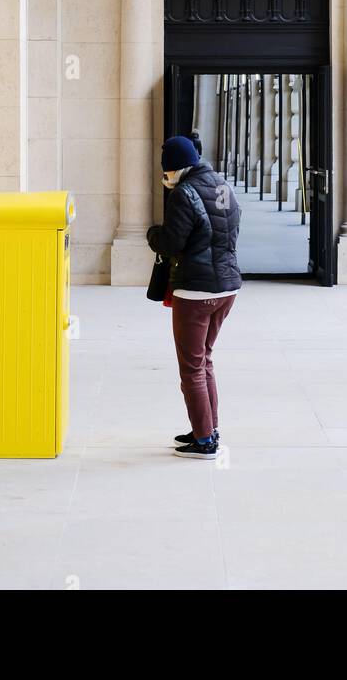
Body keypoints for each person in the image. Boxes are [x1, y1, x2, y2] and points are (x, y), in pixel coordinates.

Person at [147, 135, 241, 458]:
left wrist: (152, 234)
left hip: (196, 292)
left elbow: (171, 243)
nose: (166, 178)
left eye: (167, 172)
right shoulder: (222, 186)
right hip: (227, 288)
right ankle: (208, 428)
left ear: (176, 169)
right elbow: (229, 232)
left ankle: (204, 441)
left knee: (191, 367)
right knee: (204, 360)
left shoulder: (184, 194)